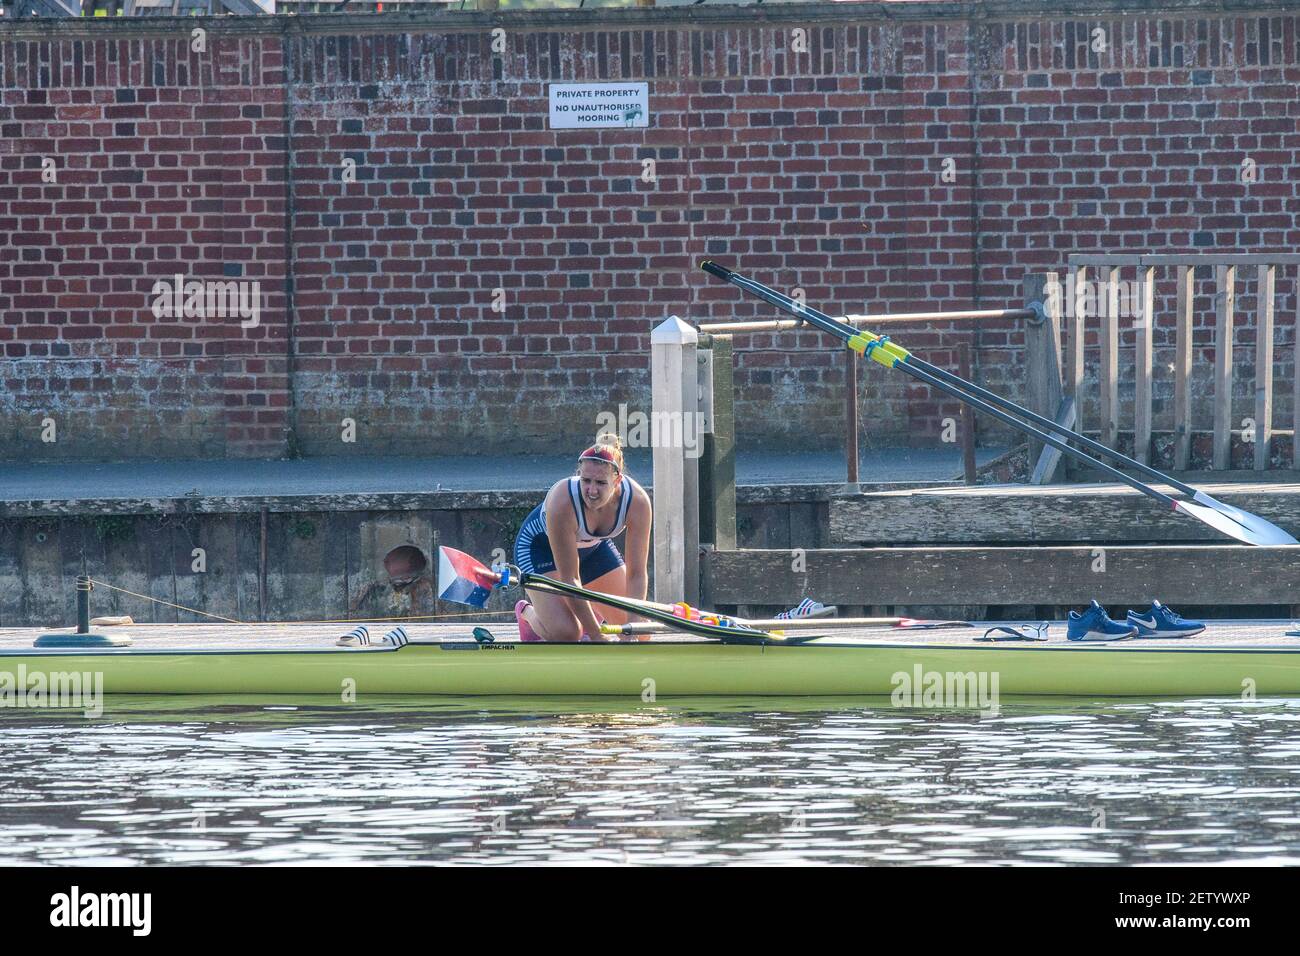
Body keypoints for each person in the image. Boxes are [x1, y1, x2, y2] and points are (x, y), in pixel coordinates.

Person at [513, 433, 651, 642]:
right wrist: (596, 634)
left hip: (593, 549)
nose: (592, 491)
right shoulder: (563, 501)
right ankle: (527, 613)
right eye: (586, 481)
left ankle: (590, 612)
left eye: (601, 483)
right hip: (539, 549)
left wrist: (630, 630)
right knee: (568, 633)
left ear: (618, 480)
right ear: (578, 474)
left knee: (643, 633)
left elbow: (637, 574)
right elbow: (571, 579)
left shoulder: (638, 502)